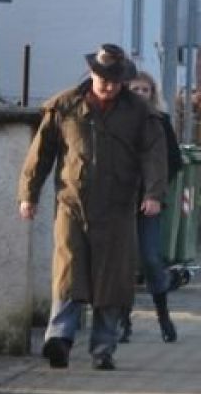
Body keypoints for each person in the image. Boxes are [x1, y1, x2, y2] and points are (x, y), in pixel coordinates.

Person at [18, 44, 166, 371]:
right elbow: (40, 154)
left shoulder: (140, 113)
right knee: (68, 272)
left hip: (118, 208)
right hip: (72, 204)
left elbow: (154, 155)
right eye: (103, 79)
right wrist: (29, 194)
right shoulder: (65, 105)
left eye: (115, 81)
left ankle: (103, 348)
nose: (109, 86)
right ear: (92, 73)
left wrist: (153, 193)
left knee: (111, 280)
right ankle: (59, 339)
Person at [121, 72, 183, 344]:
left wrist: (155, 189)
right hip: (121, 201)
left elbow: (173, 160)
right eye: (135, 89)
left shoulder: (160, 121)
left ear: (152, 93)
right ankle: (122, 320)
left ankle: (163, 315)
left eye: (145, 90)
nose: (140, 94)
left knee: (150, 258)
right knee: (122, 262)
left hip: (149, 203)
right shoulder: (118, 120)